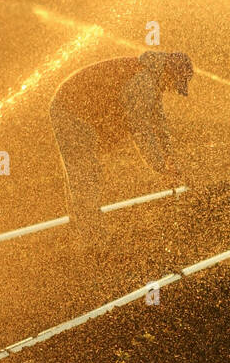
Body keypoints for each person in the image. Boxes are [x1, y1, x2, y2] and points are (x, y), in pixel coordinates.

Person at [47, 50, 192, 235]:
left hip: (75, 111)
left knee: (85, 175)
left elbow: (159, 125)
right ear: (168, 72)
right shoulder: (143, 82)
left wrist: (171, 160)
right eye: (173, 84)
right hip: (70, 111)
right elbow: (141, 131)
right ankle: (92, 241)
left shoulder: (152, 79)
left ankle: (81, 229)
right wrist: (162, 169)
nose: (171, 90)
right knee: (85, 176)